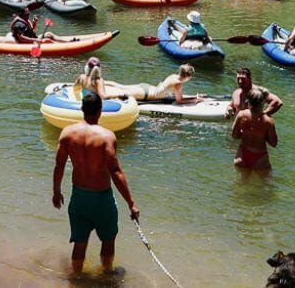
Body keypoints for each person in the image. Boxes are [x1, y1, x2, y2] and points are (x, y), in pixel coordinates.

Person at [52, 92, 140, 274]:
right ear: (100, 111)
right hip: (102, 199)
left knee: (79, 241)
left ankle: (75, 278)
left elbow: (59, 166)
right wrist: (131, 203)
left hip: (78, 197)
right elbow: (115, 172)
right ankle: (107, 275)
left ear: (82, 109)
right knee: (108, 240)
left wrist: (56, 192)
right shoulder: (107, 137)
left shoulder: (67, 134)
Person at [231, 88, 278, 170]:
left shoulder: (241, 115)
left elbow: (234, 135)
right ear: (263, 102)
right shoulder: (268, 121)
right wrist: (262, 135)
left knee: (240, 182)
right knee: (262, 182)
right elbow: (273, 143)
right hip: (260, 158)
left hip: (242, 155)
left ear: (248, 101)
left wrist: (245, 134)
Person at [105, 64, 198, 104]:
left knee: (120, 86)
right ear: (188, 76)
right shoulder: (178, 83)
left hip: (146, 87)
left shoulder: (174, 76)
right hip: (145, 93)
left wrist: (194, 96)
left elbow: (176, 95)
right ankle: (100, 93)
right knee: (118, 93)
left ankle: (98, 80)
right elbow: (179, 101)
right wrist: (195, 100)